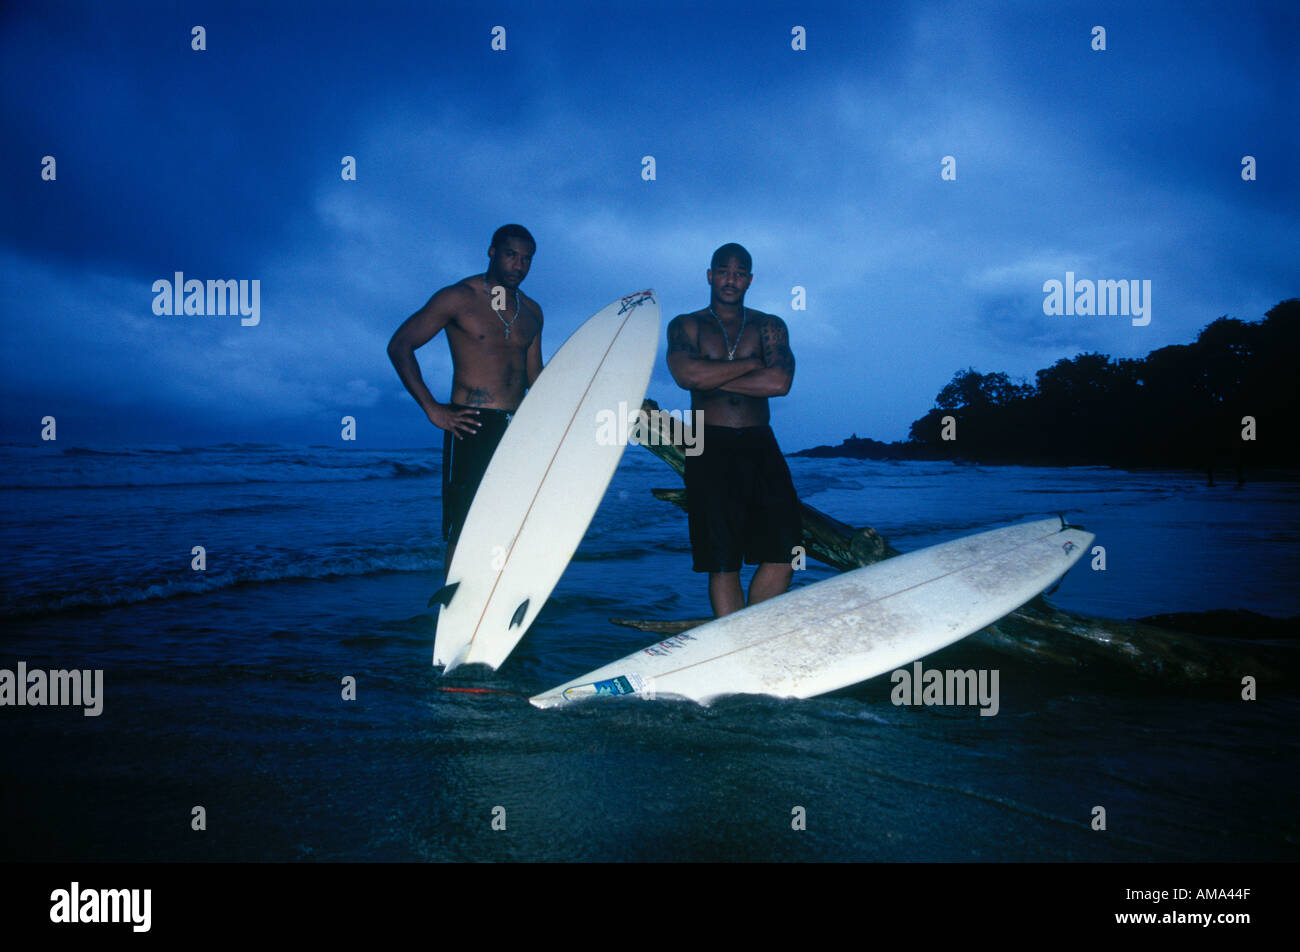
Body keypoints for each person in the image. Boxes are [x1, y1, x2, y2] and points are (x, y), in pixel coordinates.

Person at [387, 224, 543, 569]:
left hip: (518, 426)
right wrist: (432, 408)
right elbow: (401, 345)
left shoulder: (532, 311)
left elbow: (535, 377)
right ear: (492, 252)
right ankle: (453, 608)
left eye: (527, 259)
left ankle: (495, 598)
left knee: (512, 519)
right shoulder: (459, 297)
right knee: (466, 525)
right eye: (511, 255)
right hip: (472, 423)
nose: (519, 266)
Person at [665, 242, 801, 617]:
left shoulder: (769, 325)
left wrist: (710, 378)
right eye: (724, 271)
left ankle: (751, 635)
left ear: (750, 280)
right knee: (722, 560)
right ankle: (733, 643)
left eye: (740, 273)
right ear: (710, 275)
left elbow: (779, 383)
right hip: (708, 444)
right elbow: (686, 374)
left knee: (785, 553)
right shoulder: (686, 325)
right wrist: (750, 364)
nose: (731, 279)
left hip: (761, 443)